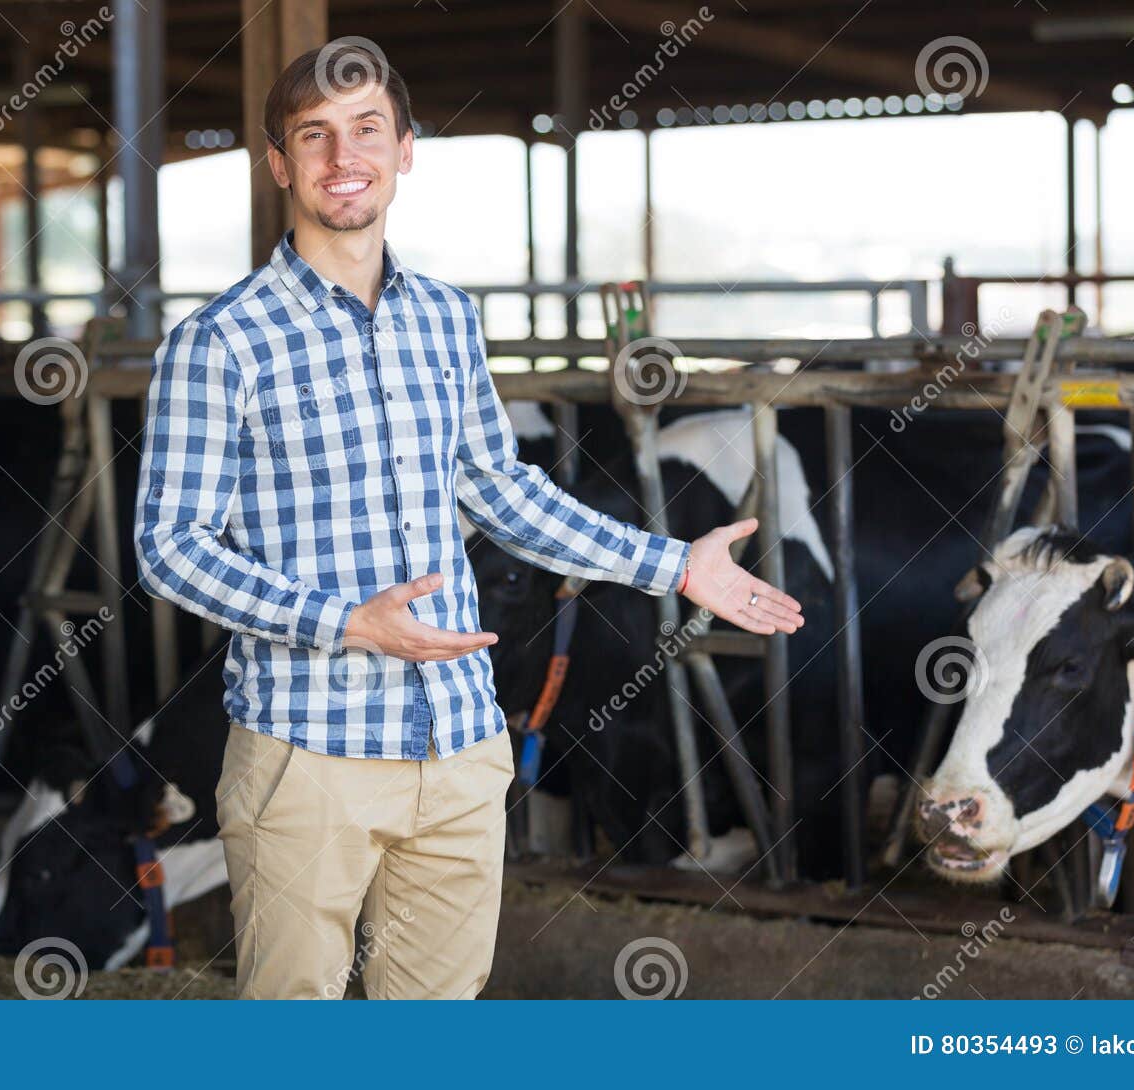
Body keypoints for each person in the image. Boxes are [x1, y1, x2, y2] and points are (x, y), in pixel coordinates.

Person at [134, 41, 803, 1000]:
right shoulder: (218, 341)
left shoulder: (445, 318)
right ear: (279, 164)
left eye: (367, 129)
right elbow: (169, 548)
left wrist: (672, 567)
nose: (342, 157)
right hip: (308, 752)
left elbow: (501, 491)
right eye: (313, 137)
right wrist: (349, 623)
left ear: (405, 150)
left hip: (458, 744)